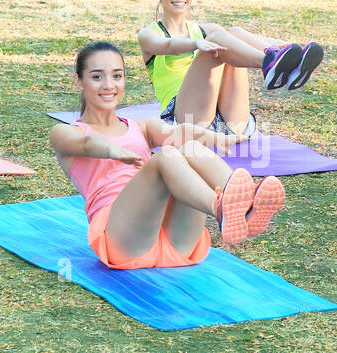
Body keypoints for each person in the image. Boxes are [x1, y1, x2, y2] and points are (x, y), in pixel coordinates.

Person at [51, 41, 285, 269]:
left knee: (190, 149)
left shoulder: (142, 127)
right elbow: (86, 143)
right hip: (123, 241)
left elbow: (180, 132)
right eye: (97, 76)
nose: (109, 85)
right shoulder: (64, 133)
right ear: (79, 81)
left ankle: (246, 208)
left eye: (117, 76)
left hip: (175, 243)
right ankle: (220, 210)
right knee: (165, 158)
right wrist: (113, 151)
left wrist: (214, 137)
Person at [137, 0, 323, 138]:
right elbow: (168, 46)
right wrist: (197, 44)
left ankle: (284, 63)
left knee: (233, 34)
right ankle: (269, 64)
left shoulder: (204, 29)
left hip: (232, 124)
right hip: (187, 124)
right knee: (217, 39)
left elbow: (252, 39)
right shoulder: (148, 34)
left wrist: (291, 48)